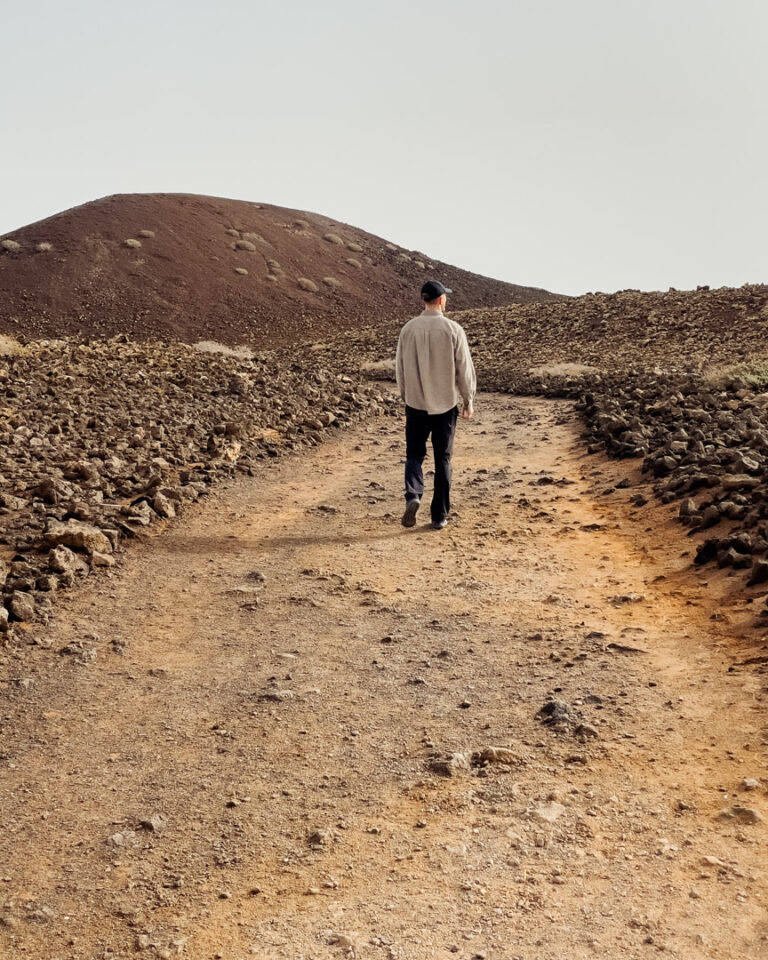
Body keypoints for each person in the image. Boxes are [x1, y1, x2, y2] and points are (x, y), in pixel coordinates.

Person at [395, 280, 476, 530]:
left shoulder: (408, 329)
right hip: (445, 405)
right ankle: (439, 515)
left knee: (414, 455)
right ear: (441, 300)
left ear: (425, 300)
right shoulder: (453, 329)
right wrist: (468, 399)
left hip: (416, 403)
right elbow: (464, 367)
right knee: (443, 459)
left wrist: (406, 396)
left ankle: (413, 495)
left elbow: (399, 368)